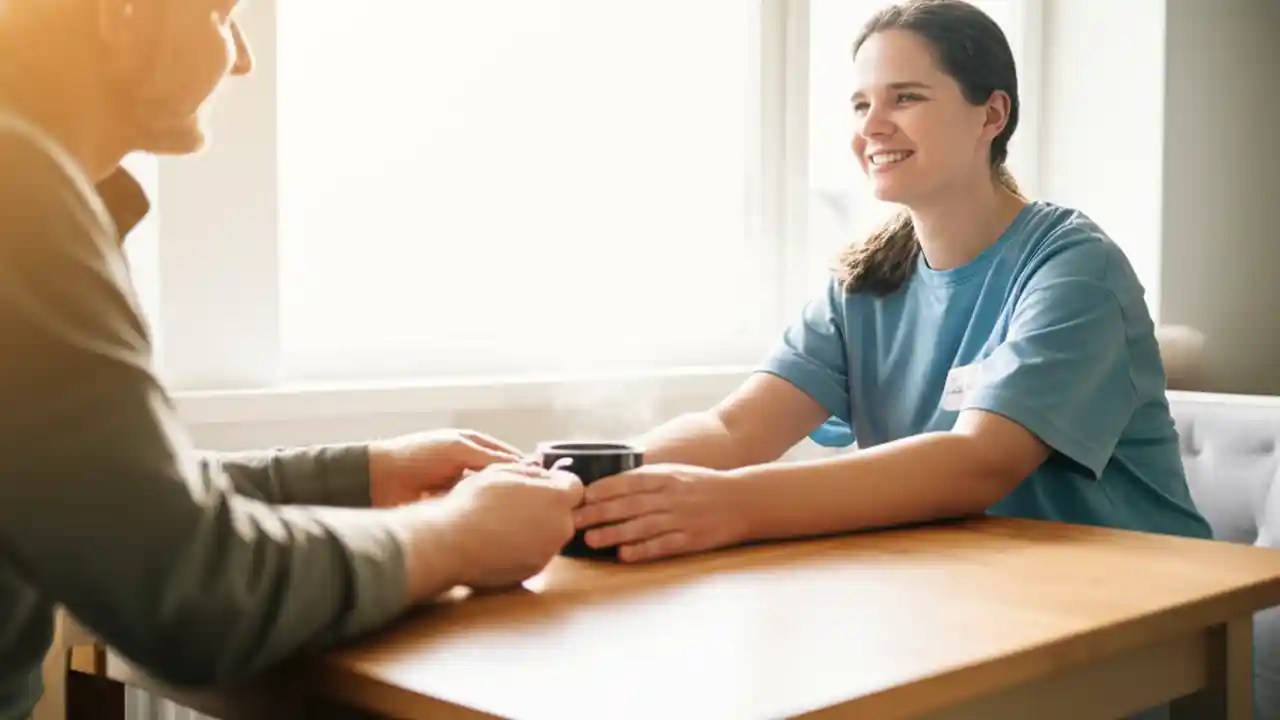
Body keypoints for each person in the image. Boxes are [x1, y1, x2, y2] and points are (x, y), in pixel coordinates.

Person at [0, 1, 581, 717]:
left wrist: (363, 475)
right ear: (124, 15)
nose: (239, 58)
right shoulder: (17, 190)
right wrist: (463, 537)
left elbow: (123, 503)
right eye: (220, 16)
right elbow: (193, 591)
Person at [572, 0, 1212, 565]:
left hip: (1141, 610)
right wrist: (579, 481)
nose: (871, 126)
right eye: (860, 104)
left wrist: (729, 506)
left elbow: (978, 463)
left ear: (991, 115)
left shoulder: (1073, 266)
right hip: (964, 594)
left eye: (905, 97)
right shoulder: (863, 282)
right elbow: (735, 430)